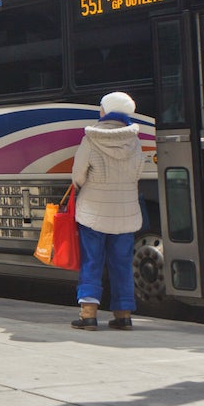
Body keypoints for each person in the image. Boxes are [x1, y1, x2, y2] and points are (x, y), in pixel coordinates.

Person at [69, 92, 149, 331]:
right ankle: (123, 315)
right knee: (122, 263)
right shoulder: (134, 141)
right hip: (126, 213)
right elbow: (137, 173)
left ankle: (89, 315)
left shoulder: (91, 139)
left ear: (106, 111)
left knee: (92, 261)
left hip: (93, 213)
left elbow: (78, 175)